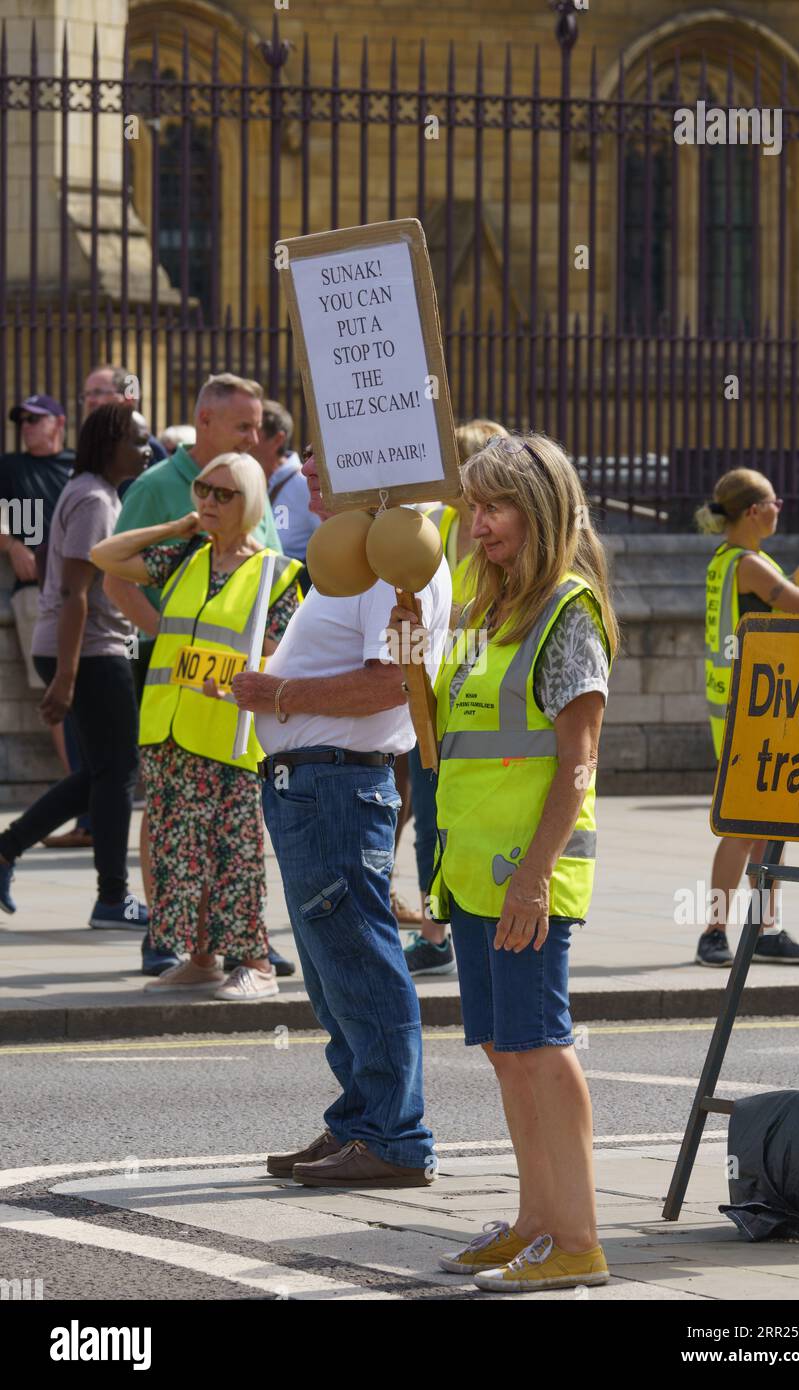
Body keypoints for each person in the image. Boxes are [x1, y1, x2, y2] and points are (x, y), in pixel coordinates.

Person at [392, 431, 616, 1292]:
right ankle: (535, 1221)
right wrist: (414, 641)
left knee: (540, 1047)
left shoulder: (567, 611)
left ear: (541, 511)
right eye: (473, 508)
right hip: (476, 873)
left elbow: (578, 764)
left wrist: (532, 877)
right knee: (504, 1049)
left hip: (529, 877)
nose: (476, 526)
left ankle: (579, 1240)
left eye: (494, 508)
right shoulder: (486, 611)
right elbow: (445, 732)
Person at [234, 450, 452, 1187]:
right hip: (313, 787)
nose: (313, 473)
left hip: (335, 788)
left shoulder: (397, 563)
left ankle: (393, 1137)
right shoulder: (361, 555)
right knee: (335, 977)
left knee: (359, 963)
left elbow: (390, 686)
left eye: (334, 461)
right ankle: (360, 1123)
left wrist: (280, 692)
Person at [91, 452, 305, 1000]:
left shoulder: (276, 573)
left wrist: (232, 679)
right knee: (177, 851)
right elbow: (105, 557)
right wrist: (180, 524)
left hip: (228, 736)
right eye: (203, 490)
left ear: (251, 503)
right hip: (168, 730)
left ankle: (255, 962)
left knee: (233, 851)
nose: (208, 501)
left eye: (222, 494)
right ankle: (203, 957)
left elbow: (283, 657)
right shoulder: (186, 553)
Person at [0, 405, 151, 926]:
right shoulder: (92, 498)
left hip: (82, 648)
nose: (146, 449)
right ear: (110, 444)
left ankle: (6, 848)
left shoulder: (93, 491)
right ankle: (112, 899)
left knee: (102, 771)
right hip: (89, 649)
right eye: (138, 440)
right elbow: (73, 591)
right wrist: (64, 677)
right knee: (118, 771)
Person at [696, 468, 799, 967]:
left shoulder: (734, 560)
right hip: (748, 714)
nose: (781, 505)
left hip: (741, 709)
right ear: (753, 511)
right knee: (744, 829)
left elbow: (790, 585)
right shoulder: (748, 565)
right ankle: (716, 932)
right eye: (774, 500)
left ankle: (764, 926)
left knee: (764, 828)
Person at [404, 418, 510, 978]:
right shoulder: (438, 526)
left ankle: (454, 926)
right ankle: (434, 928)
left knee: (467, 814)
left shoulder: (509, 543)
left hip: (485, 694)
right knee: (429, 816)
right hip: (438, 690)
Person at [0, 393, 81, 826]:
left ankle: (93, 791)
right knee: (58, 692)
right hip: (37, 593)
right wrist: (11, 542)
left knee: (102, 687)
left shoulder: (81, 465)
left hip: (92, 594)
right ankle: (81, 793)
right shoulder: (10, 467)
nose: (27, 426)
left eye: (35, 419)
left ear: (58, 422)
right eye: (22, 420)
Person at [250, 400, 318, 561]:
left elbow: (330, 543)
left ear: (277, 440)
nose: (246, 439)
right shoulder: (248, 481)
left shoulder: (307, 485)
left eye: (253, 430)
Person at [81, 365, 167, 468]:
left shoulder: (146, 448)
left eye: (98, 392)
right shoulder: (92, 444)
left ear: (128, 400)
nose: (90, 401)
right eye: (87, 394)